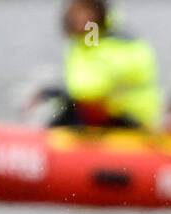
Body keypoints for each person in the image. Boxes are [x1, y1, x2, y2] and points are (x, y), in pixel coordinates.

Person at [38, 0, 162, 130]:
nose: (80, 18)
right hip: (99, 117)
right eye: (76, 13)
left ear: (100, 13)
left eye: (86, 12)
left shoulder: (123, 43)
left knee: (73, 108)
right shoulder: (82, 44)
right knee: (62, 116)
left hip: (130, 120)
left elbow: (93, 88)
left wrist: (63, 93)